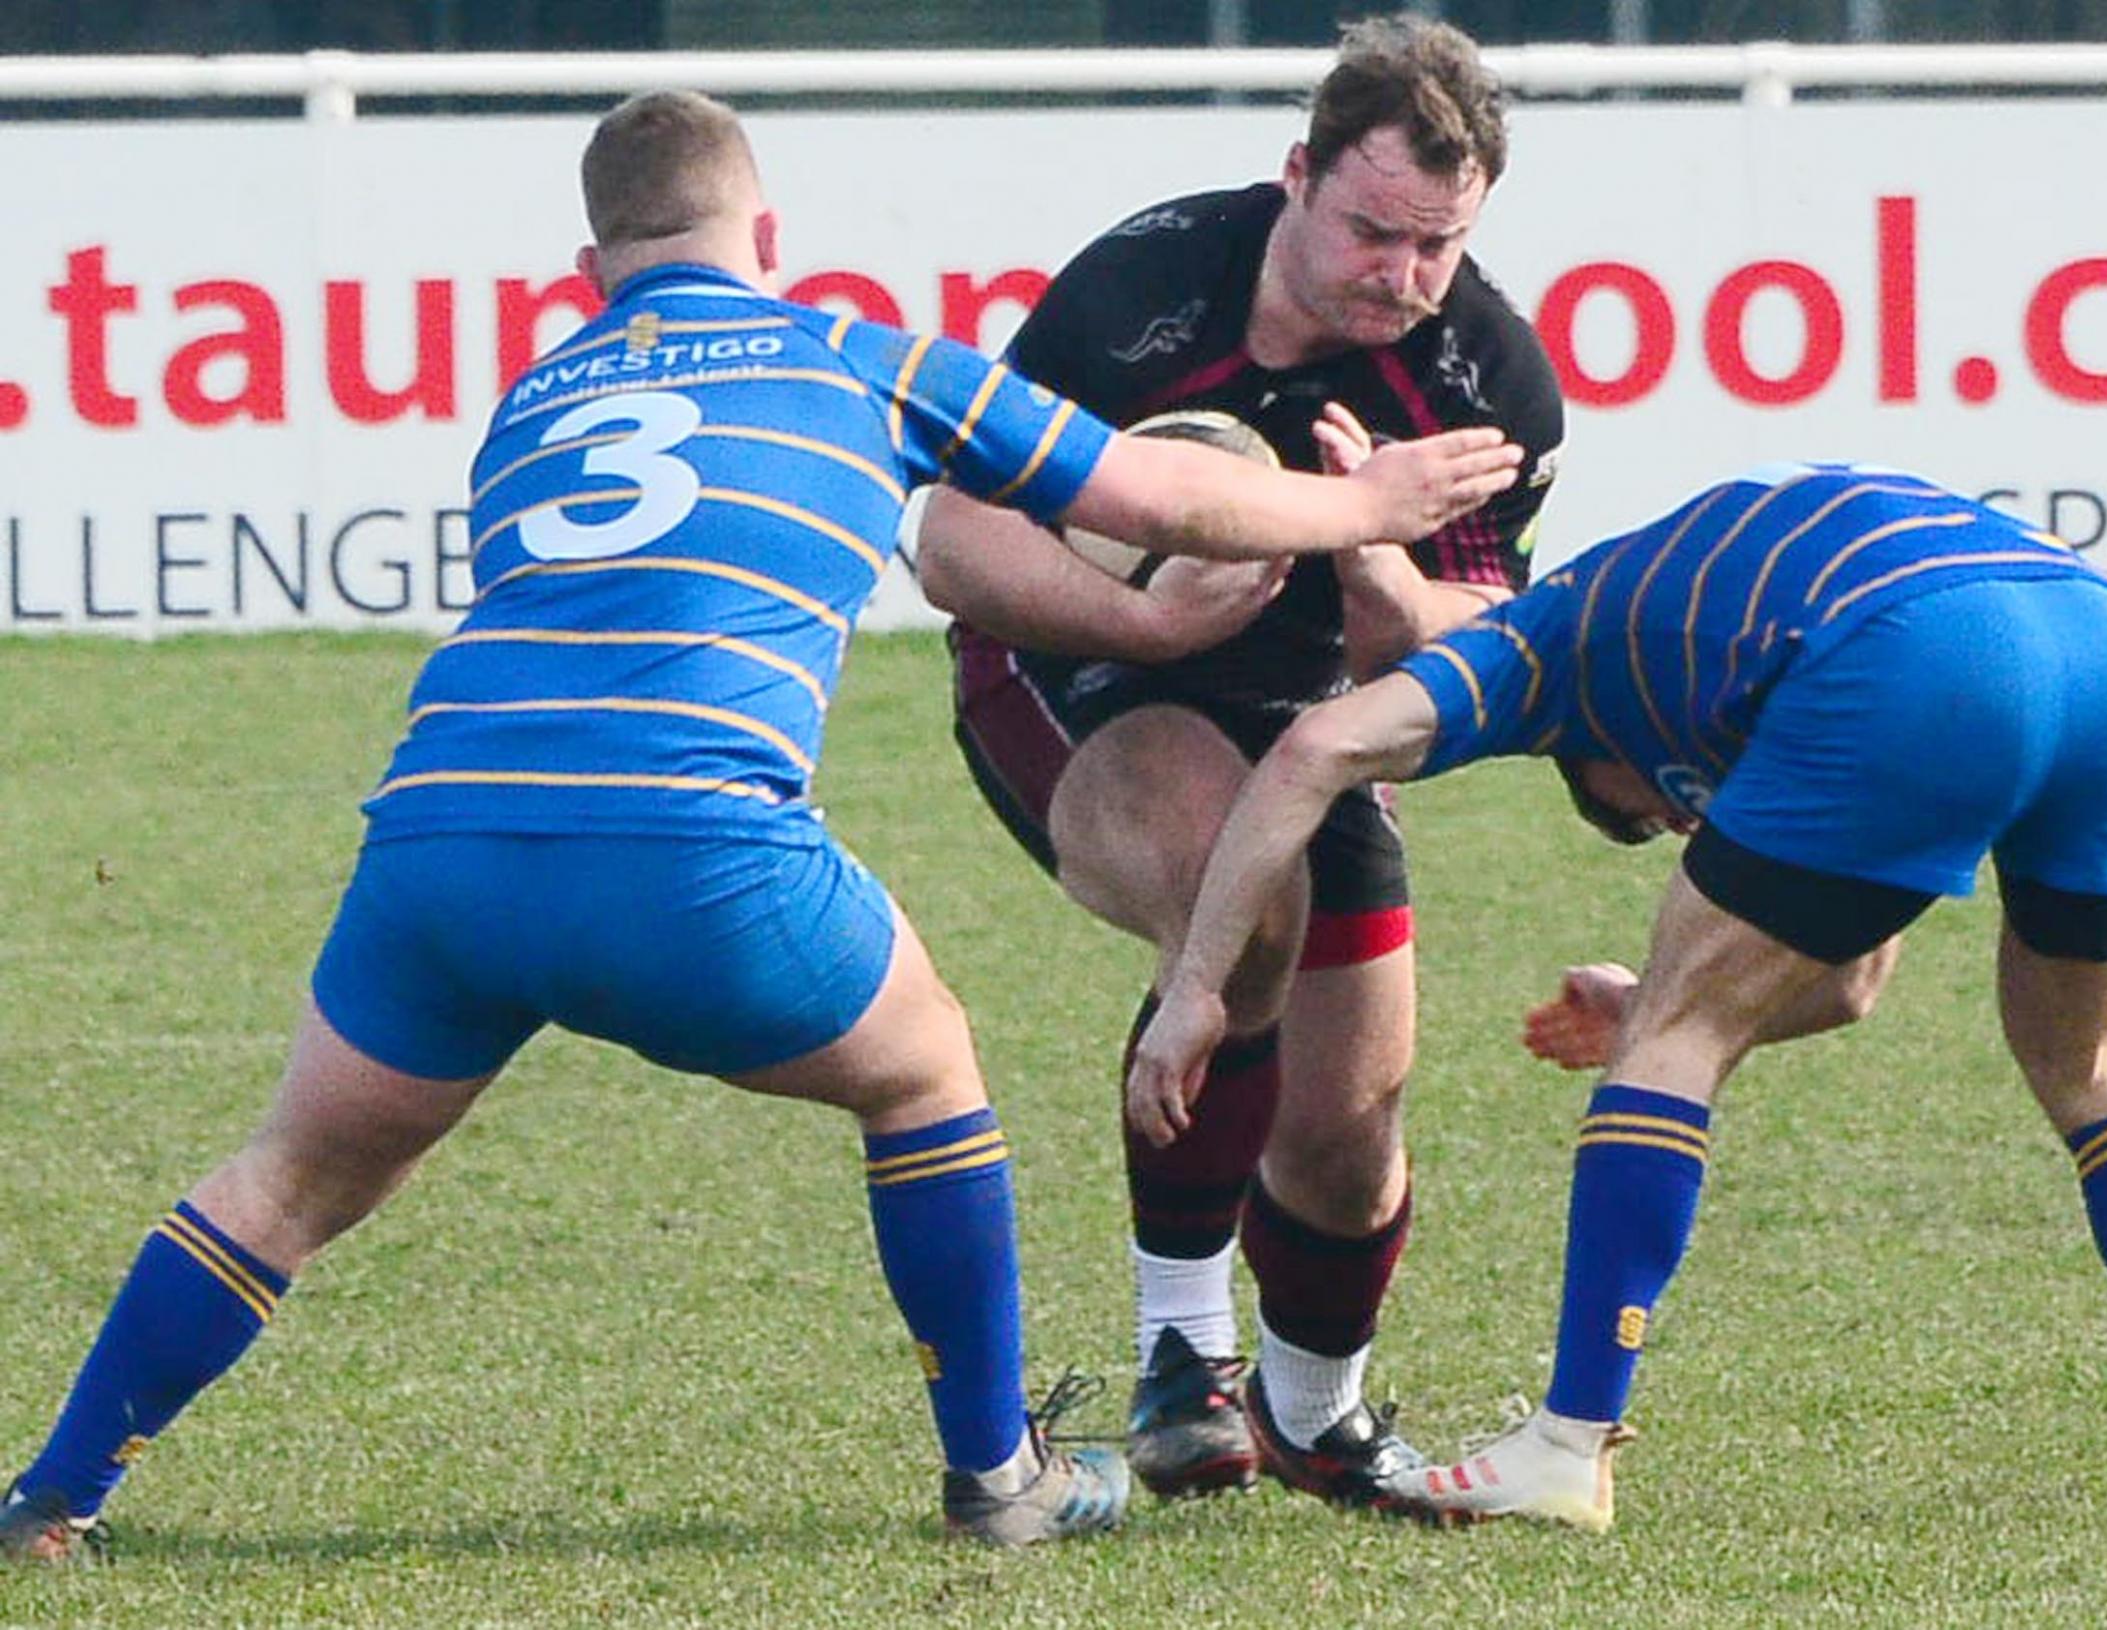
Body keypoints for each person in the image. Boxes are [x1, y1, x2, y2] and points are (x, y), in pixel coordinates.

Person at [0, 89, 1523, 1564]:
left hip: (440, 843)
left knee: (281, 1181)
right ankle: (1003, 1475)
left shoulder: (538, 398)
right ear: (765, 233)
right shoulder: (860, 357)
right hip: (690, 846)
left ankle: (52, 1496)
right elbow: (1162, 495)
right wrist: (1363, 505)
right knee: (926, 1071)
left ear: (590, 275)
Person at [1128, 462, 2107, 1531]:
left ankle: (1567, 1444)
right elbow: (1854, 980)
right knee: (2099, 1063)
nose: (1685, 821)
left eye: (1654, 809)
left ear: (1585, 751)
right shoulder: (1701, 643)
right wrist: (1665, 999)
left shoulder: (1539, 647)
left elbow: (1317, 744)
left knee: (1677, 1043)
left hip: (1924, 643)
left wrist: (1193, 990)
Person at [913, 14, 1566, 1511]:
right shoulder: (1145, 289)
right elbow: (954, 538)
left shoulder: (1488, 381)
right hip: (1076, 666)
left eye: (1438, 247)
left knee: (1350, 1124)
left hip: (1313, 706)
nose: (1400, 278)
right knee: (1235, 892)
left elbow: (1476, 642)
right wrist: (1136, 616)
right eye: (1373, 232)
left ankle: (1315, 1414)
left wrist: (1387, 576)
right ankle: (1180, 1361)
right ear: (1297, 177)